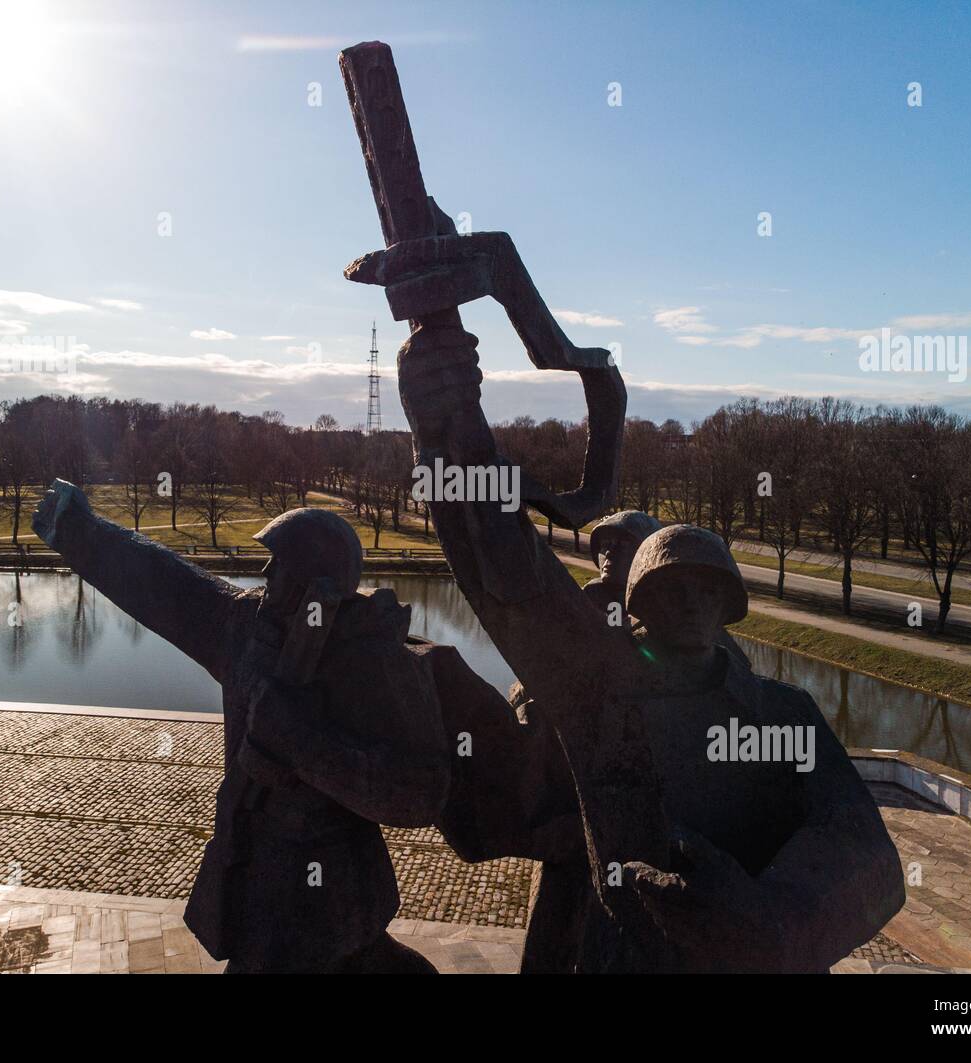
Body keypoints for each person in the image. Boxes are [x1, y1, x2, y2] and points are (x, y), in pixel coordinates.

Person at [347, 230, 905, 972]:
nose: (693, 607)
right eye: (672, 589)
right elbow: (508, 576)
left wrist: (770, 924)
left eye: (710, 591)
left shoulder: (779, 714)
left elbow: (866, 853)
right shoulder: (593, 695)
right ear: (638, 601)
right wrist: (444, 427)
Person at [32, 485, 448, 973]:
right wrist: (78, 531)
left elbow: (420, 790)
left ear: (320, 581)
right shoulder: (245, 627)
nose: (267, 572)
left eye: (282, 562)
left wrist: (303, 745)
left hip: (340, 891)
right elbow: (168, 587)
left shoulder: (372, 658)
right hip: (258, 881)